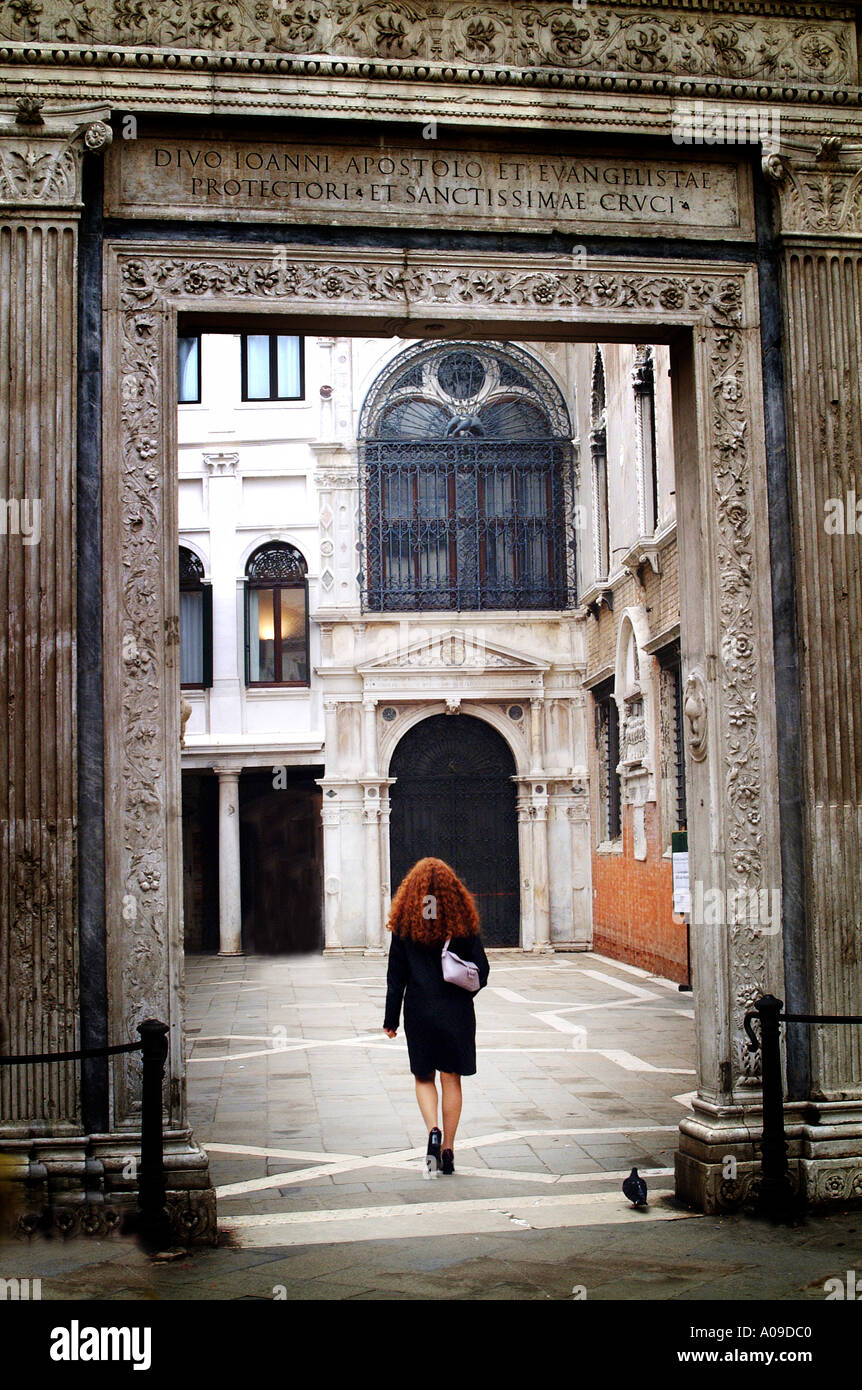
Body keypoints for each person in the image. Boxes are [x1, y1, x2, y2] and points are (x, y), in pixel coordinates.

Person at [382, 856, 490, 1177]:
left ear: (411, 890)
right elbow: (481, 971)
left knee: (424, 1077)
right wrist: (464, 990)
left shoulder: (404, 925)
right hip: (455, 1012)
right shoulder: (462, 924)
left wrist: (391, 1020)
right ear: (451, 889)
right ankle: (449, 1149)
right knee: (451, 1078)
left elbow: (395, 976)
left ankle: (432, 1131)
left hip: (418, 1011)